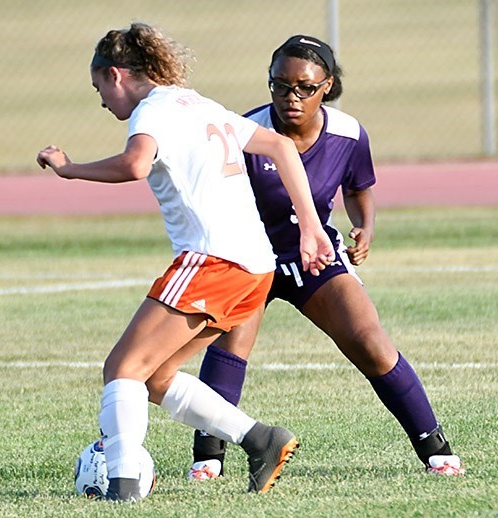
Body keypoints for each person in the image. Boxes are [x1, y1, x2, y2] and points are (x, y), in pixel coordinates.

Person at [36, 23, 336, 500]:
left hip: (213, 259)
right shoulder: (194, 102)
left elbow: (136, 165)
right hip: (254, 267)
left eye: (99, 89)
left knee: (122, 368)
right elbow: (280, 145)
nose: (101, 102)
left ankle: (124, 484)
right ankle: (261, 440)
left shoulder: (152, 110)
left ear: (116, 75)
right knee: (154, 377)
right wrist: (312, 227)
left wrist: (71, 169)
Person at [181, 35, 464, 480]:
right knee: (231, 345)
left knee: (370, 342)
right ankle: (207, 459)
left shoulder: (348, 133)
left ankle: (436, 450)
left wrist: (364, 227)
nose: (291, 97)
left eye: (305, 88)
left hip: (315, 255)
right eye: (280, 86)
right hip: (250, 257)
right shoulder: (244, 132)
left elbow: (357, 188)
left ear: (327, 86)